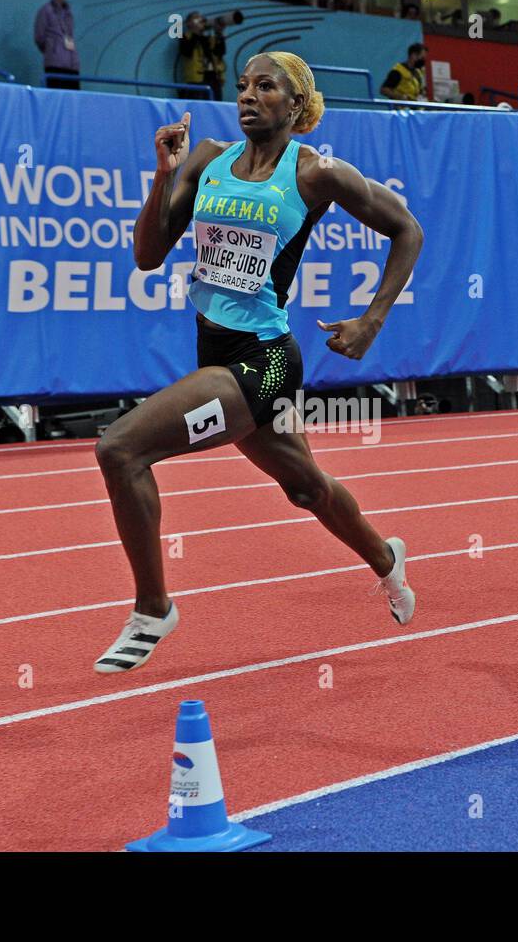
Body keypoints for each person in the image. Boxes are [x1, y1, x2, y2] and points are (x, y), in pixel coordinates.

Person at [91, 52, 424, 673]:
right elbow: (146, 256)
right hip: (213, 347)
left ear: (295, 104)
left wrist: (372, 320)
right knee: (305, 486)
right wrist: (163, 176)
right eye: (242, 85)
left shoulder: (316, 173)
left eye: (264, 86)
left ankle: (152, 608)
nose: (247, 95)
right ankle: (386, 558)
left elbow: (407, 229)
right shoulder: (207, 158)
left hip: (265, 363)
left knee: (120, 449)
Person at [34, 0, 80, 90]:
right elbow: (39, 37)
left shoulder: (68, 12)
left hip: (72, 65)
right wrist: (53, 49)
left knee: (73, 99)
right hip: (55, 65)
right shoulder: (45, 11)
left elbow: (70, 35)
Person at [178, 11, 227, 102]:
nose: (200, 20)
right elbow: (186, 52)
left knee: (216, 106)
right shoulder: (186, 37)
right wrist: (195, 32)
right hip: (196, 79)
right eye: (196, 18)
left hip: (214, 77)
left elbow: (221, 52)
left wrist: (219, 33)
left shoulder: (209, 38)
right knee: (198, 106)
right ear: (189, 23)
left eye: (200, 18)